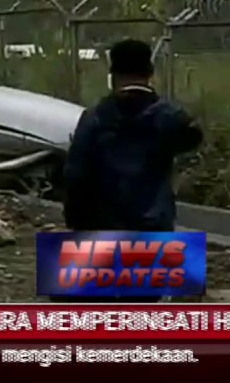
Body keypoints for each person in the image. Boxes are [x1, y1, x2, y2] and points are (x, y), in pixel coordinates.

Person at [60, 38, 204, 301]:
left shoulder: (94, 117)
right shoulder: (169, 118)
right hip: (152, 230)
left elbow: (75, 176)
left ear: (112, 75)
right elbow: (192, 136)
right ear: (150, 74)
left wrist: (75, 223)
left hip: (100, 230)